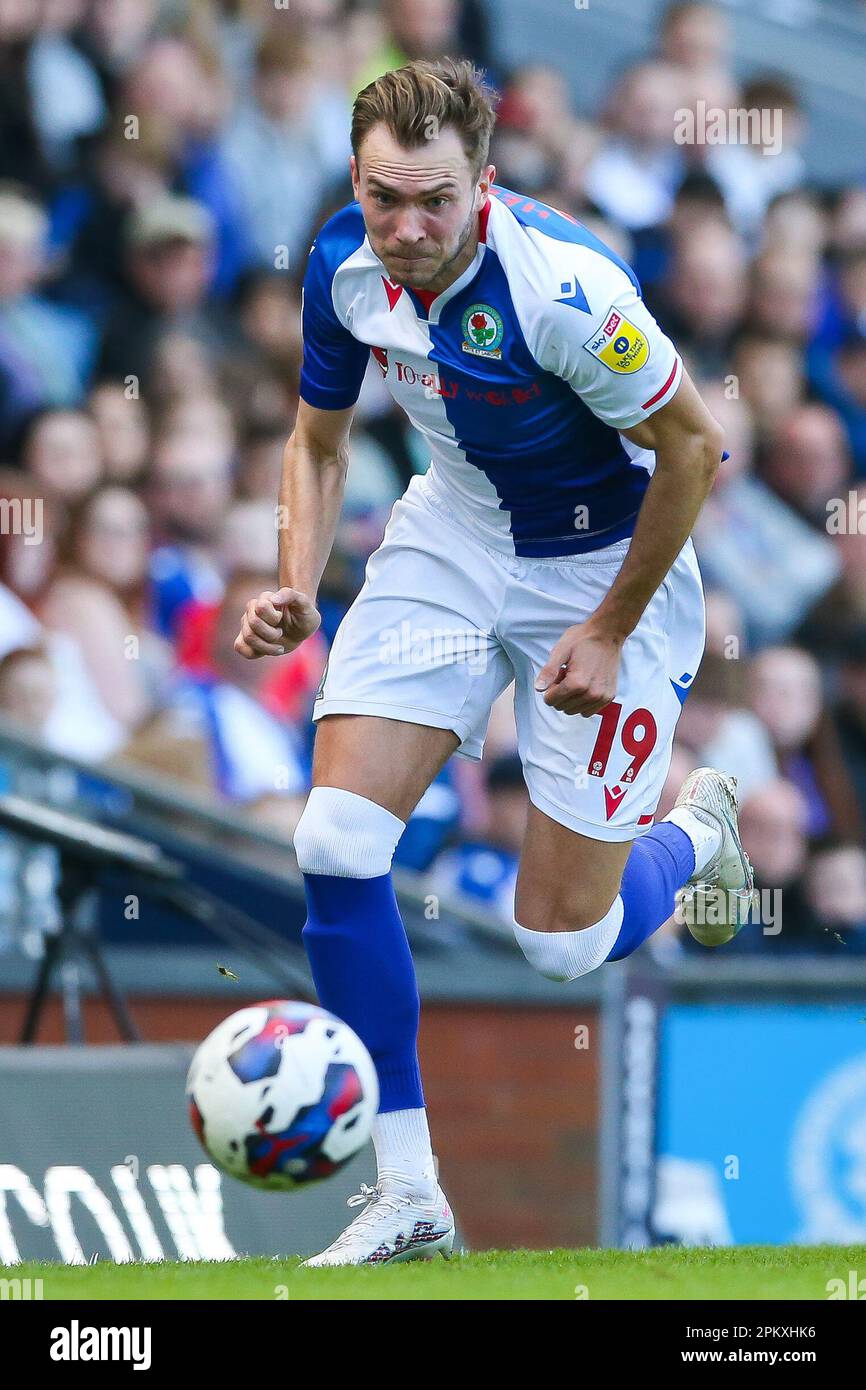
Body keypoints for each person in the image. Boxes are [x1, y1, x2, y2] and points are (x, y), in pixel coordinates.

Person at [234, 58, 753, 1266]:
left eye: (434, 201)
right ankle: (409, 1195)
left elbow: (691, 449)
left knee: (560, 944)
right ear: (355, 181)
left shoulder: (568, 292)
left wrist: (610, 627)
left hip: (608, 564)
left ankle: (696, 835)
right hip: (458, 534)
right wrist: (295, 584)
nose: (405, 230)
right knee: (334, 841)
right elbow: (315, 444)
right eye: (381, 199)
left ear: (486, 183)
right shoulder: (339, 266)